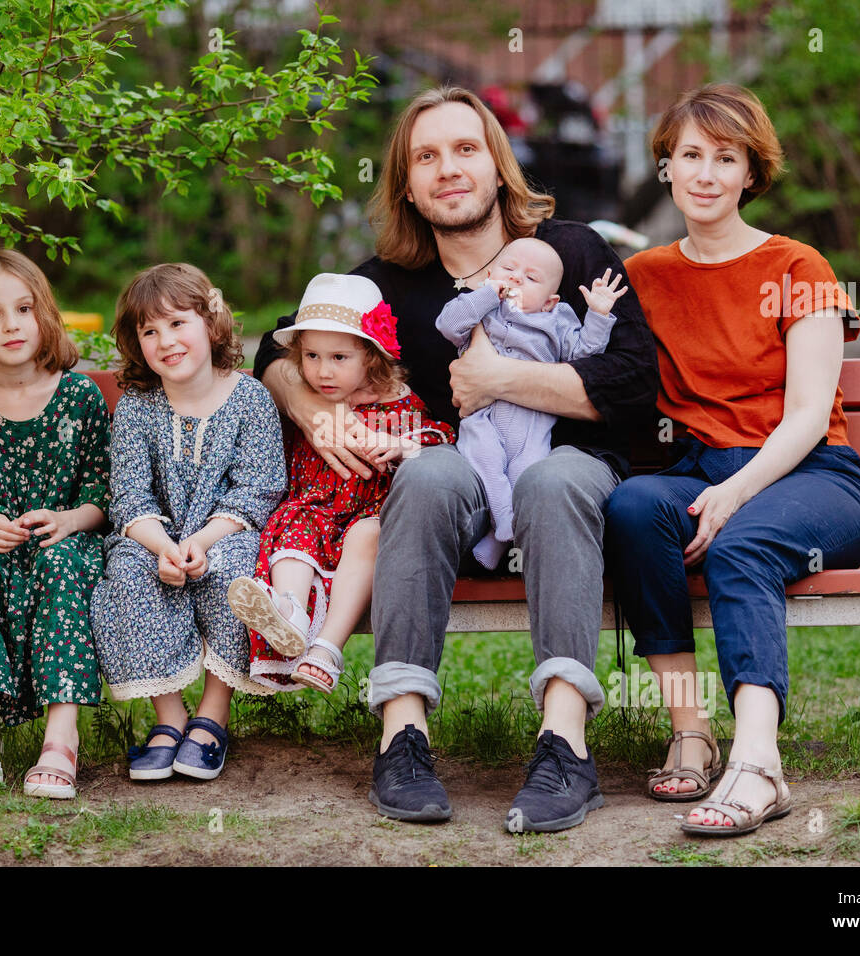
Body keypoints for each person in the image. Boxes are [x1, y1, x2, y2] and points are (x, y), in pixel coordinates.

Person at [252, 86, 659, 831]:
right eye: (427, 157)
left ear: (498, 165)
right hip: (460, 473)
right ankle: (401, 734)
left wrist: (508, 380)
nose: (448, 169)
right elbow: (273, 347)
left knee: (552, 479)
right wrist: (313, 412)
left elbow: (637, 383)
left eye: (465, 149)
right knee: (428, 473)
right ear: (407, 183)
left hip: (565, 464)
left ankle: (564, 743)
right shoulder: (385, 283)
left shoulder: (569, 251)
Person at [607, 83, 860, 836]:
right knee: (631, 507)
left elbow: (807, 416)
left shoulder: (798, 265)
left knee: (744, 542)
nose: (705, 173)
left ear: (751, 174)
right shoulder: (648, 277)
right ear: (667, 167)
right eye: (689, 155)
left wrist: (736, 496)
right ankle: (691, 728)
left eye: (726, 158)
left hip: (813, 477)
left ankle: (759, 765)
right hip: (701, 468)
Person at [90, 263, 285, 783]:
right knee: (128, 574)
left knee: (235, 571)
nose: (166, 341)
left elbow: (259, 486)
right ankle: (169, 715)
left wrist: (199, 541)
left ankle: (213, 714)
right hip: (151, 535)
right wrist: (161, 546)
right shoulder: (138, 407)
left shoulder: (249, 399)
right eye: (149, 331)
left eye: (178, 324)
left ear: (211, 323)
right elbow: (128, 492)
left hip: (225, 532)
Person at [0, 248, 110, 800]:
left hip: (66, 542)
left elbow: (101, 492)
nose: (11, 325)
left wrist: (70, 519)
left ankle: (61, 740)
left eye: (23, 309)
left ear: (45, 316)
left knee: (61, 563)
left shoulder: (79, 397)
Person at [228, 273, 455, 693]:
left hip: (368, 516)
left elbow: (438, 440)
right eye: (311, 356)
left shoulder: (397, 403)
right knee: (293, 529)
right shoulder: (310, 404)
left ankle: (326, 651)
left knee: (368, 535)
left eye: (338, 358)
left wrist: (398, 445)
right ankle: (289, 614)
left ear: (371, 356)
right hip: (313, 508)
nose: (321, 371)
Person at [435, 236, 627, 568]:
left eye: (531, 277)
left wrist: (597, 315)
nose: (515, 278)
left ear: (550, 301)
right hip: (483, 420)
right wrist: (483, 294)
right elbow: (447, 324)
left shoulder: (557, 319)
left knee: (527, 475)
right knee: (487, 463)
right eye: (508, 269)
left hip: (533, 425)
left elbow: (583, 354)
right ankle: (505, 524)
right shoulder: (482, 311)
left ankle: (497, 539)